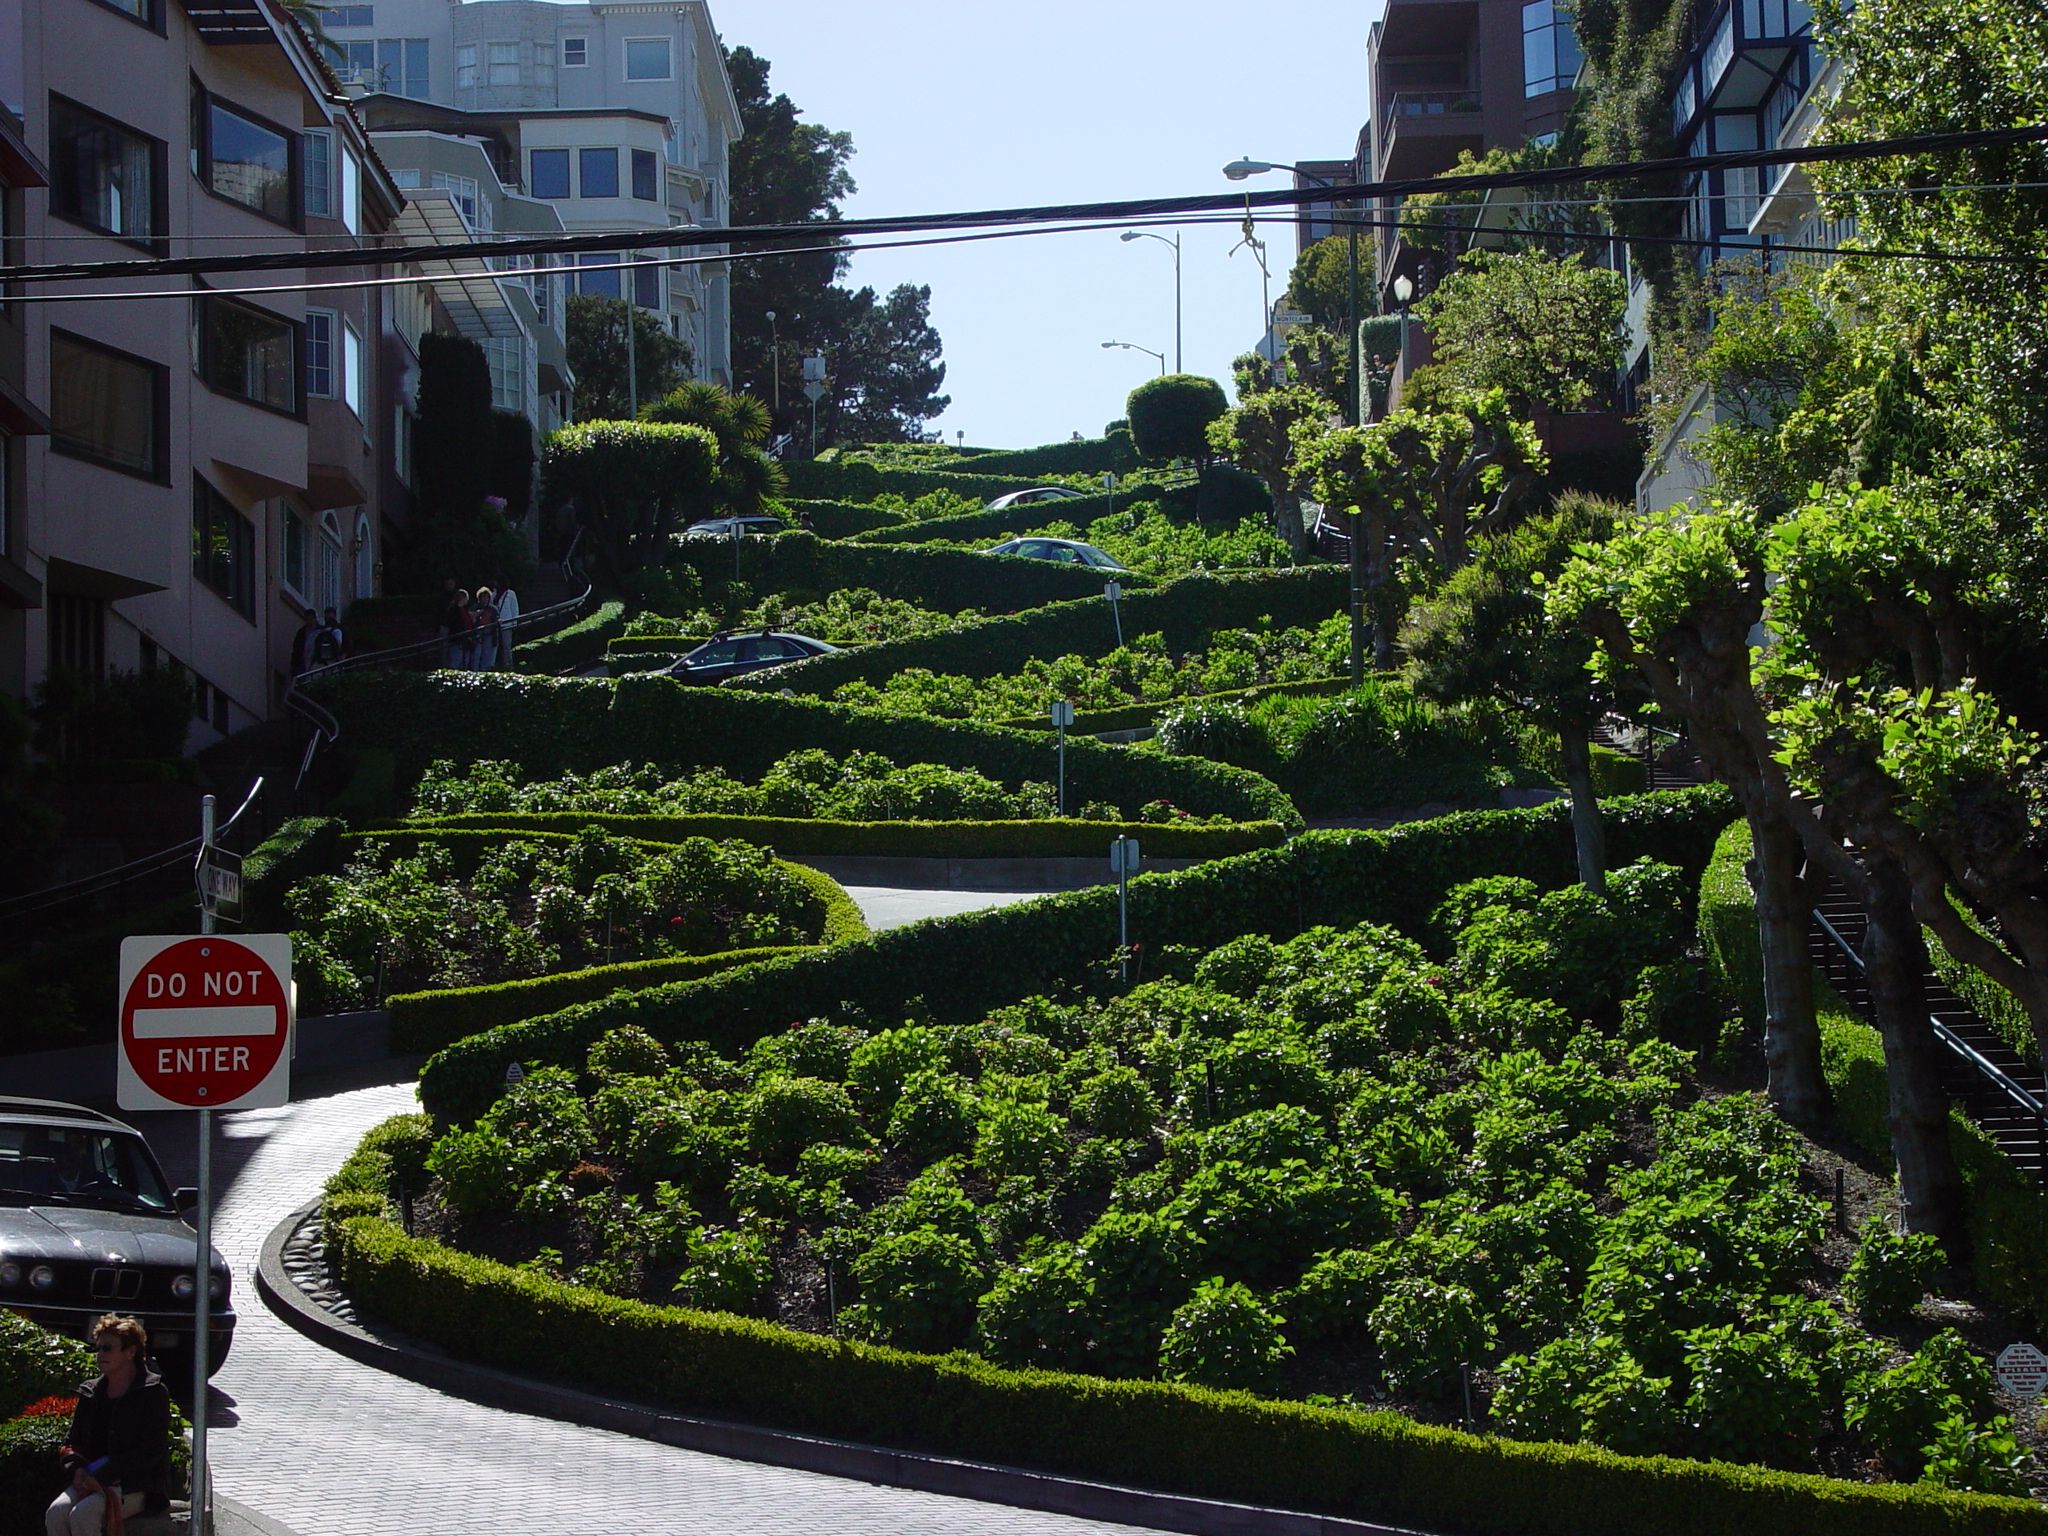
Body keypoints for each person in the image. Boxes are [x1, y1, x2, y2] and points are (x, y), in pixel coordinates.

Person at [46, 1314, 170, 1536]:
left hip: (134, 1485)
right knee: (56, 1512)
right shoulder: (91, 1392)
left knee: (84, 1514)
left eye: (108, 1348)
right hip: (89, 1480)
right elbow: (72, 1442)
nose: (100, 1354)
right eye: (99, 1348)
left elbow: (151, 1451)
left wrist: (103, 1476)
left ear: (130, 1352)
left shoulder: (152, 1393)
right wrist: (77, 1470)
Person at [469, 586, 499, 671]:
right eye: (483, 597)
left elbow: (497, 620)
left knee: (487, 655)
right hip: (478, 633)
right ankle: (475, 671)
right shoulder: (475, 608)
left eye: (487, 597)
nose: (485, 599)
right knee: (476, 654)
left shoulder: (493, 609)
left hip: (489, 633)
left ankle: (484, 671)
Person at [492, 578, 519, 670]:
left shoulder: (510, 593)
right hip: (496, 625)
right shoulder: (494, 594)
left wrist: (514, 622)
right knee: (495, 646)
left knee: (506, 646)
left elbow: (514, 608)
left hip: (507, 624)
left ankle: (508, 666)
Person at [437, 578, 464, 668]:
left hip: (453, 629)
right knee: (445, 651)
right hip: (445, 626)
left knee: (454, 653)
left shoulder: (455, 598)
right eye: (448, 584)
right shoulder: (442, 597)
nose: (450, 586)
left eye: (451, 584)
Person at [289, 611, 320, 676]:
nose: (309, 621)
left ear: (314, 618)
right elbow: (296, 648)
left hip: (316, 659)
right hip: (303, 659)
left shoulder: (321, 630)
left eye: (311, 619)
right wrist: (294, 663)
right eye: (307, 619)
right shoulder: (301, 632)